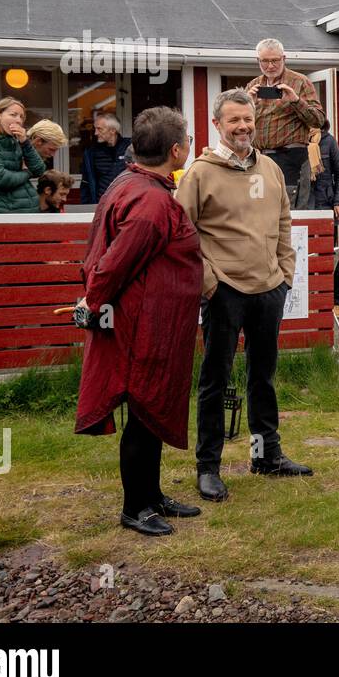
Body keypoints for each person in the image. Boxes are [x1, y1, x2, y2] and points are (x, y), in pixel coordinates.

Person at [176, 88, 313, 503]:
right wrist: (211, 283)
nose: (242, 127)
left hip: (269, 289)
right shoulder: (200, 173)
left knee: (263, 377)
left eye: (248, 120)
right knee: (215, 381)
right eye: (234, 120)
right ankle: (208, 468)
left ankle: (266, 455)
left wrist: (285, 274)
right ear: (217, 124)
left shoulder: (269, 168)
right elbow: (183, 235)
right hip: (224, 293)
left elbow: (285, 220)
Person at [73, 106, 204, 536]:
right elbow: (113, 264)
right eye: (186, 140)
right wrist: (92, 302)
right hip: (142, 326)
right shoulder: (149, 201)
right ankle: (135, 507)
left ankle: (152, 494)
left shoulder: (134, 182)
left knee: (152, 411)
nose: (188, 146)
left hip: (155, 322)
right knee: (145, 411)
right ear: (175, 150)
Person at [246, 37, 325, 207]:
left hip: (291, 158)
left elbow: (319, 120)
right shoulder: (253, 85)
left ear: (284, 58)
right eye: (265, 61)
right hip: (259, 158)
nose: (270, 66)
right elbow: (240, 126)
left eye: (275, 60)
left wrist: (296, 100)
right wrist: (248, 104)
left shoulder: (300, 82)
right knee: (260, 211)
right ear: (257, 60)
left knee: (290, 214)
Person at [0, 97, 46, 214]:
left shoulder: (14, 141)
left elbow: (39, 169)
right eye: (13, 115)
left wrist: (25, 142)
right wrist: (27, 173)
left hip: (22, 213)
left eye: (21, 117)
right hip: (2, 213)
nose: (18, 120)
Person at [307, 119, 339, 315]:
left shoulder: (328, 141)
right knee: (305, 254)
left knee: (330, 254)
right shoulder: (296, 140)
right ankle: (313, 299)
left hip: (325, 204)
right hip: (303, 204)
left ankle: (338, 301)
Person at [81, 113, 131, 204]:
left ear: (112, 130)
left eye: (99, 129)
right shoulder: (91, 152)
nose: (95, 133)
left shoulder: (130, 147)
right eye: (95, 129)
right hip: (102, 206)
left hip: (127, 203)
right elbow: (86, 183)